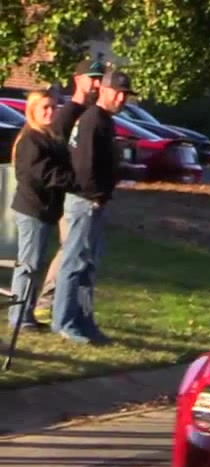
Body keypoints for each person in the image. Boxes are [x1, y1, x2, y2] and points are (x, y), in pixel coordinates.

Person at [55, 68, 134, 345]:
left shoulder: (105, 120)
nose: (122, 98)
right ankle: (64, 322)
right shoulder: (92, 120)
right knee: (74, 264)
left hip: (95, 201)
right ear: (104, 90)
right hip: (84, 201)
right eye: (118, 92)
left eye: (126, 94)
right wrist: (95, 194)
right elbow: (83, 164)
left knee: (88, 265)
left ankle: (84, 320)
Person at [35, 57, 104, 320]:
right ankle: (48, 302)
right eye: (92, 78)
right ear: (78, 80)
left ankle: (72, 307)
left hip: (86, 192)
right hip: (70, 194)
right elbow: (53, 153)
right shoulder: (68, 113)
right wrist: (70, 182)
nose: (96, 84)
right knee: (71, 250)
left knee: (82, 251)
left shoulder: (92, 113)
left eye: (99, 79)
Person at [7, 90, 76, 331]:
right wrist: (74, 180)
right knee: (28, 265)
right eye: (44, 107)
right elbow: (43, 175)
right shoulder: (31, 140)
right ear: (32, 110)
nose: (50, 111)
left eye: (54, 107)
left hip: (45, 210)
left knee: (34, 263)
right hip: (32, 210)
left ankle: (25, 313)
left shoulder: (49, 136)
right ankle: (19, 316)